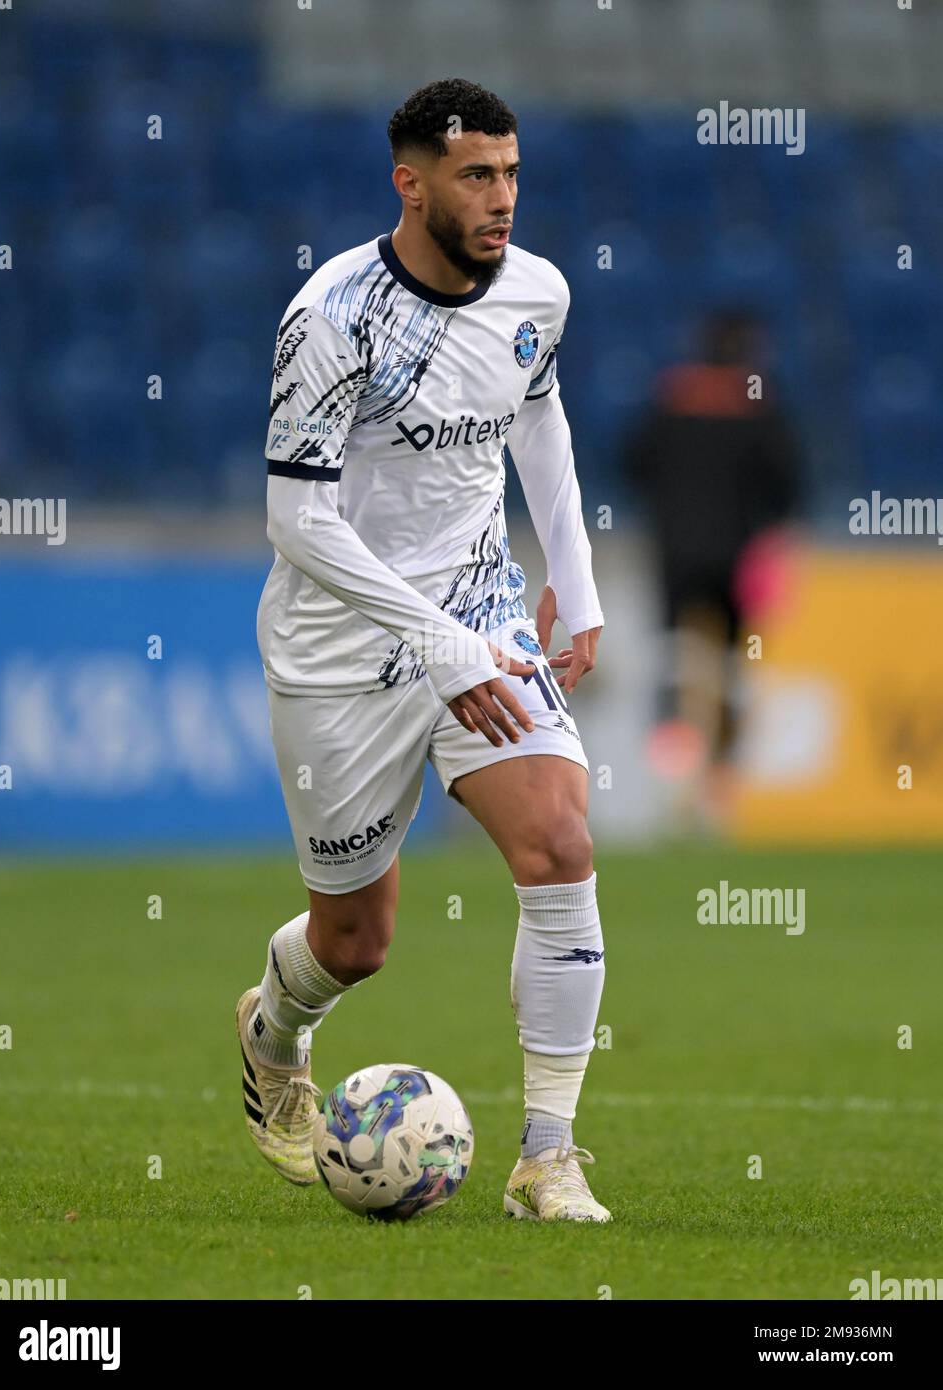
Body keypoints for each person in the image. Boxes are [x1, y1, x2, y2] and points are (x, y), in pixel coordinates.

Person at [238, 79, 609, 1222]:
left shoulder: (535, 290)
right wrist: (435, 643)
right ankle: (271, 1029)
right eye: (474, 177)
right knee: (357, 940)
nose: (500, 198)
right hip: (341, 645)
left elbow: (535, 412)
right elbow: (297, 520)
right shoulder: (333, 317)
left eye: (510, 173)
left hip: (478, 610)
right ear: (409, 183)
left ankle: (546, 1158)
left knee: (556, 841)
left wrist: (574, 577)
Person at [626, 310, 802, 817]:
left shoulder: (671, 400)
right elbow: (787, 488)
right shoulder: (759, 404)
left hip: (673, 556)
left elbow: (633, 465)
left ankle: (670, 781)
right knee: (732, 671)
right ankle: (720, 788)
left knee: (674, 664)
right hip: (736, 560)